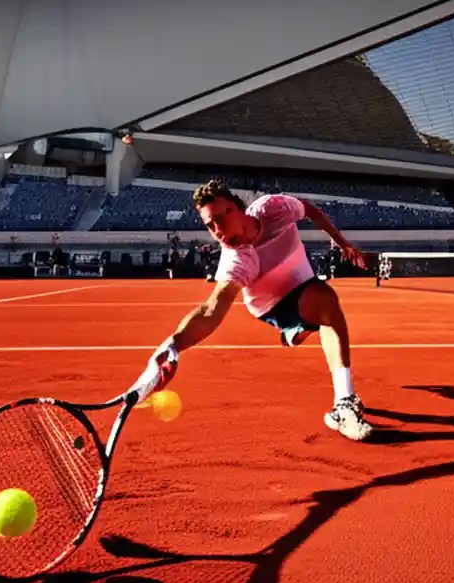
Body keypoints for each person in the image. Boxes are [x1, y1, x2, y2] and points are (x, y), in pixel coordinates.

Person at [132, 179, 373, 441]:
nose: (217, 232)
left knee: (323, 306)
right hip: (272, 304)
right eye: (209, 226)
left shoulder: (273, 208)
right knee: (325, 302)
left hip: (302, 281)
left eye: (218, 221)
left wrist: (342, 242)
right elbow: (211, 309)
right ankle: (343, 401)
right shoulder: (236, 260)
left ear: (235, 209)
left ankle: (302, 335)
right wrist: (172, 346)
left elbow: (310, 210)